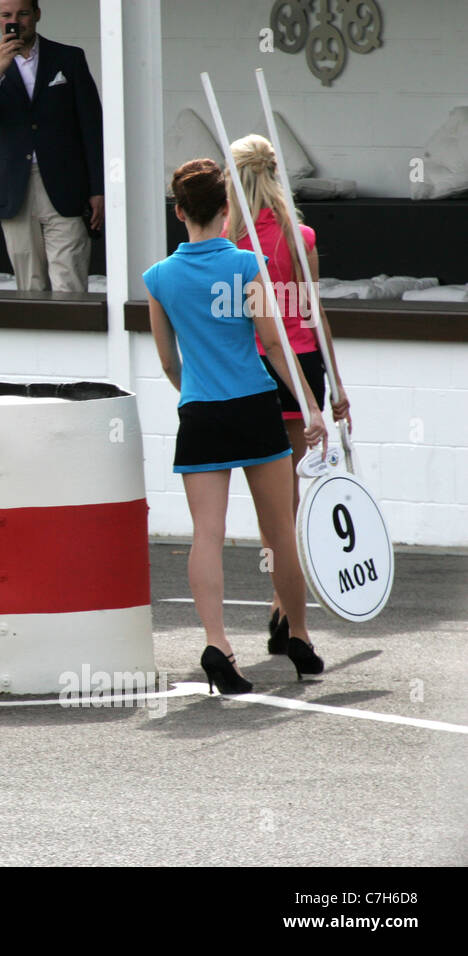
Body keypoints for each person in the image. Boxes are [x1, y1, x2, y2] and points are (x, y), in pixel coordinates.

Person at [143, 160, 327, 693]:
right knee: (279, 533)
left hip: (201, 412)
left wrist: (194, 395)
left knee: (207, 535)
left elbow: (167, 362)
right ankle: (299, 634)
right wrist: (311, 406)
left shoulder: (158, 278)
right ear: (227, 211)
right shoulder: (247, 265)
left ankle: (217, 643)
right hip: (254, 405)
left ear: (179, 212)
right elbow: (272, 344)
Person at [223, 134, 352, 655]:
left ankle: (282, 601)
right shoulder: (301, 236)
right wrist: (337, 383)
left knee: (270, 500)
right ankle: (288, 613)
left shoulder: (229, 243)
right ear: (276, 174)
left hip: (255, 362)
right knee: (298, 498)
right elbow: (315, 314)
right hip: (302, 361)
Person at [0, 0, 104, 292]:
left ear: (37, 14)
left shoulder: (69, 58)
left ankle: (71, 337)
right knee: (29, 283)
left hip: (65, 185)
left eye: (23, 13)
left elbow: (93, 126)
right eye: (7, 15)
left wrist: (98, 187)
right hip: (13, 187)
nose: (16, 21)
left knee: (70, 278)